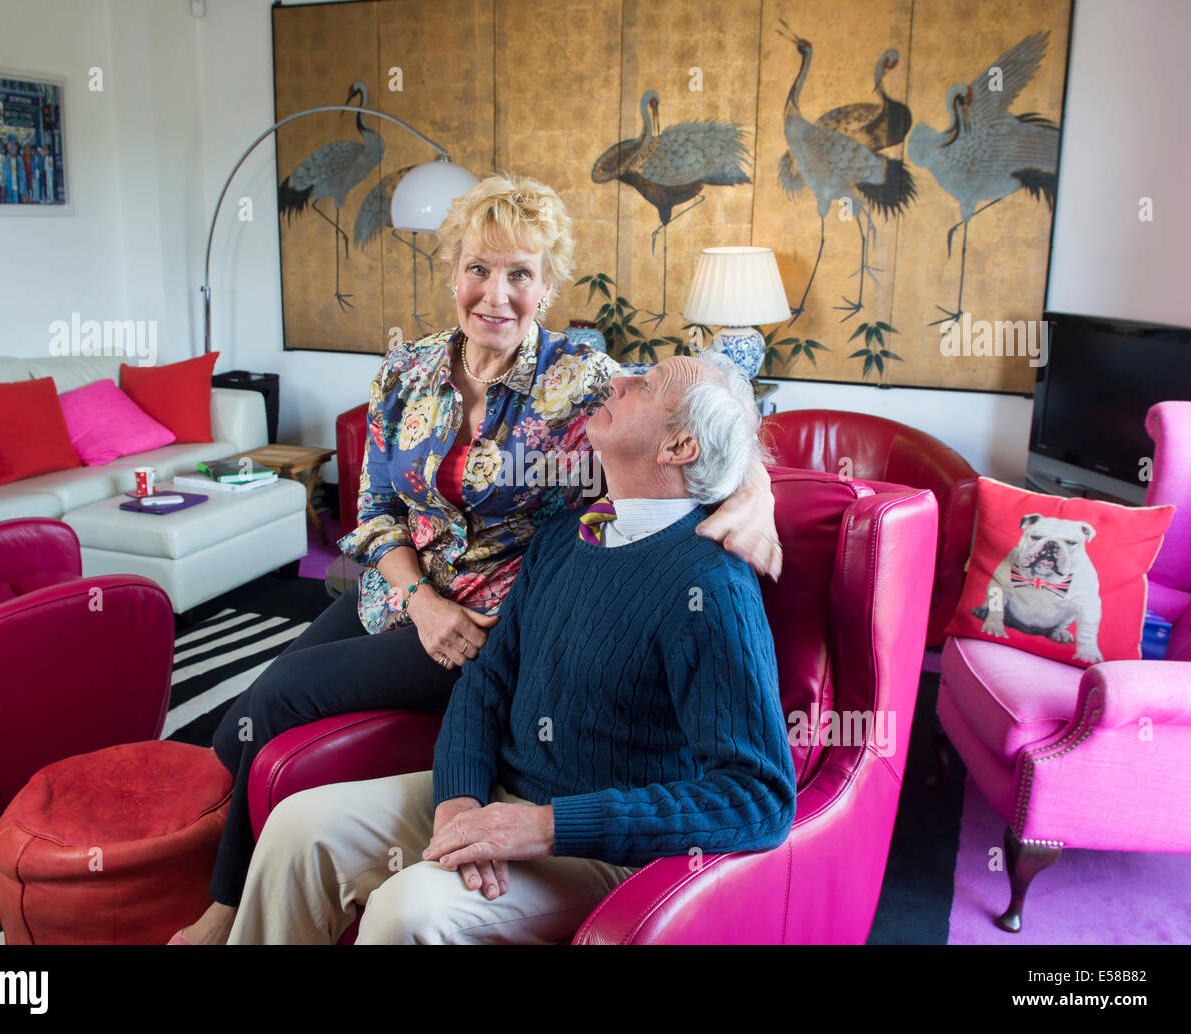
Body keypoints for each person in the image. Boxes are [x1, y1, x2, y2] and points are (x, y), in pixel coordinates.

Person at [172, 172, 784, 945]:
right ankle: (218, 876)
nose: (495, 293)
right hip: (406, 591)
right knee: (249, 720)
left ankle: (218, 905)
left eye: (520, 274)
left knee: (282, 697)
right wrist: (458, 775)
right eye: (479, 269)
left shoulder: (586, 385)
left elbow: (712, 431)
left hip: (488, 615)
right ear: (454, 273)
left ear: (546, 286)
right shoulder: (412, 373)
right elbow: (373, 513)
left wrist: (755, 495)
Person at [227, 352, 796, 944]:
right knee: (300, 825)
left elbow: (758, 797)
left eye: (645, 385)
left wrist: (545, 827)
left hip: (598, 848)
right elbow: (485, 684)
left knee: (411, 909)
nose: (618, 380)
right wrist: (457, 799)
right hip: (498, 797)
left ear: (678, 448)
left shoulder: (712, 586)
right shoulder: (562, 538)